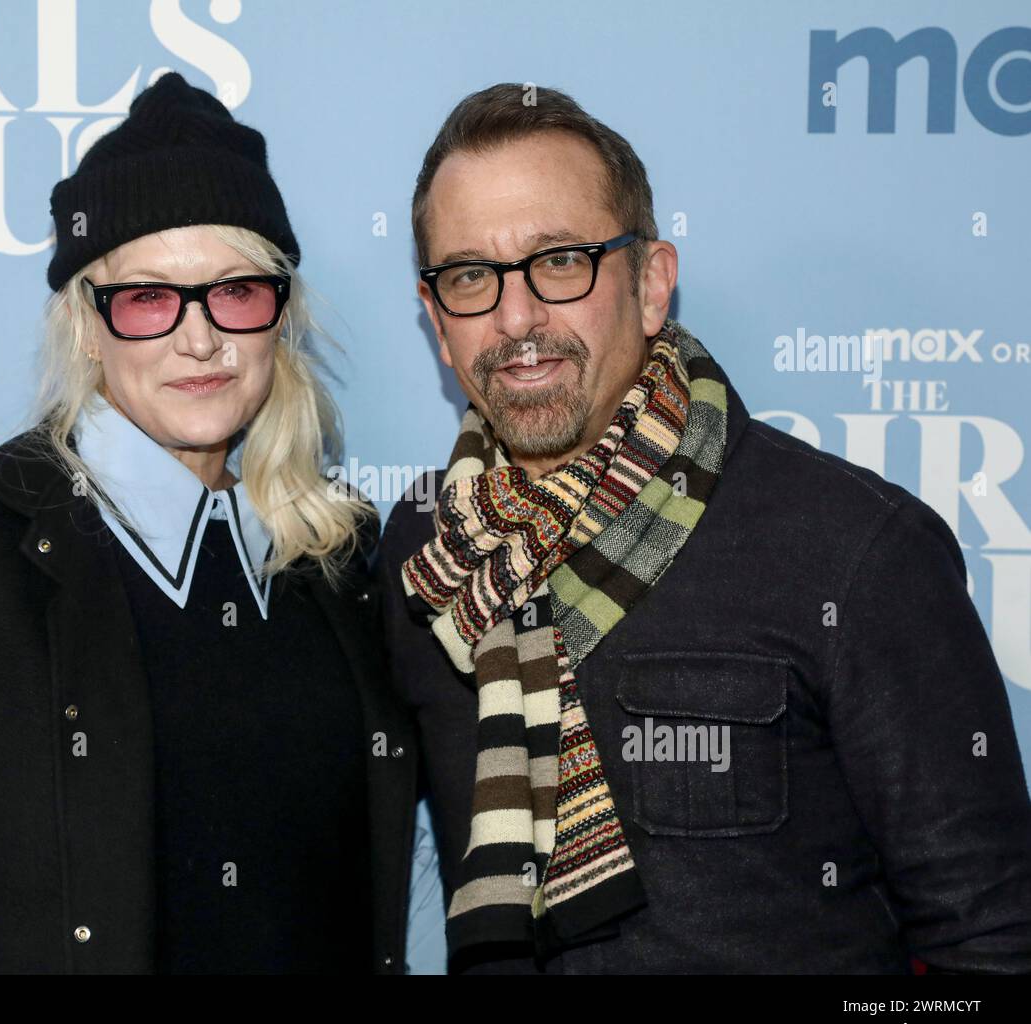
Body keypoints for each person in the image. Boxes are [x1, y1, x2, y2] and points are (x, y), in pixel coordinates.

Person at [0, 72, 424, 974]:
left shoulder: (336, 563)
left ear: (280, 316)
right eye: (147, 297)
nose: (199, 339)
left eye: (235, 291)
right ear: (84, 327)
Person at [377, 82, 1031, 974]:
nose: (516, 317)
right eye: (469, 277)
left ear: (651, 285)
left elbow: (989, 947)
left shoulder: (854, 550)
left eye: (560, 259)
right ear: (437, 326)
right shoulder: (423, 552)